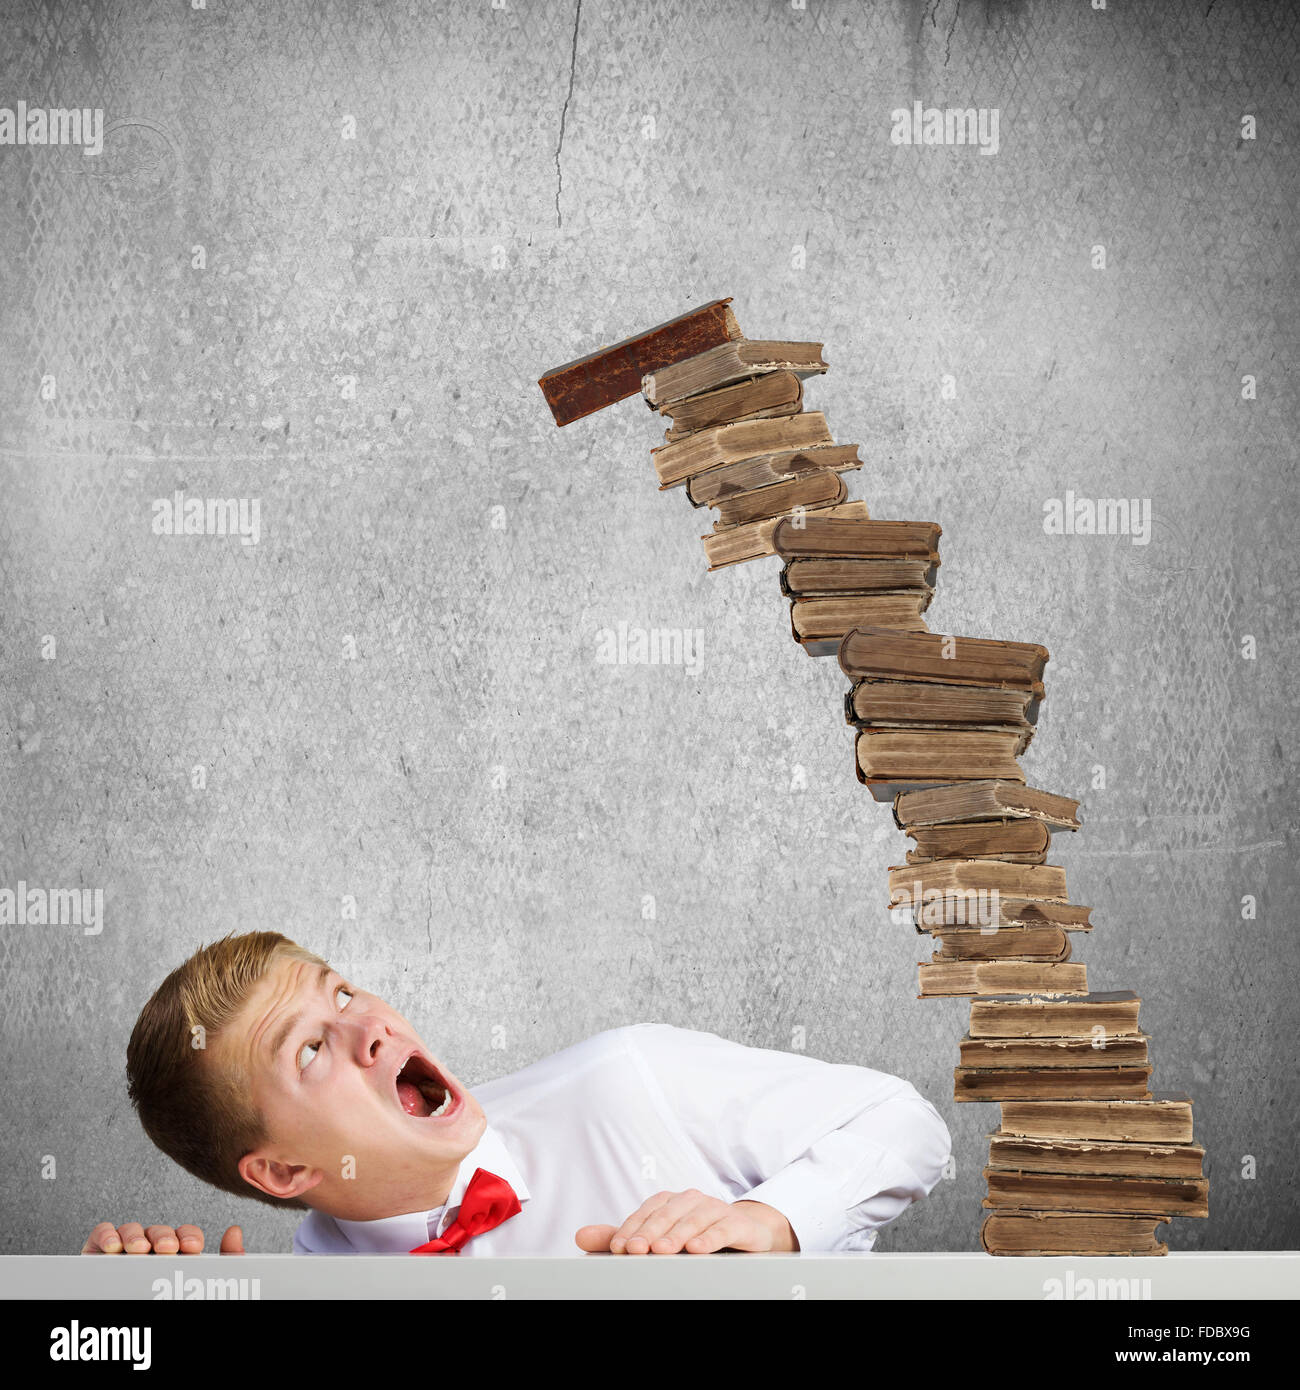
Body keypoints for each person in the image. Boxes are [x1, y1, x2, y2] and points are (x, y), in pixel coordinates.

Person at [82, 931, 950, 1257]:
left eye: (342, 993)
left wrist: (774, 1224)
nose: (370, 1027)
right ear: (278, 1173)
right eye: (311, 1049)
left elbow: (904, 1124)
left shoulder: (625, 1081)